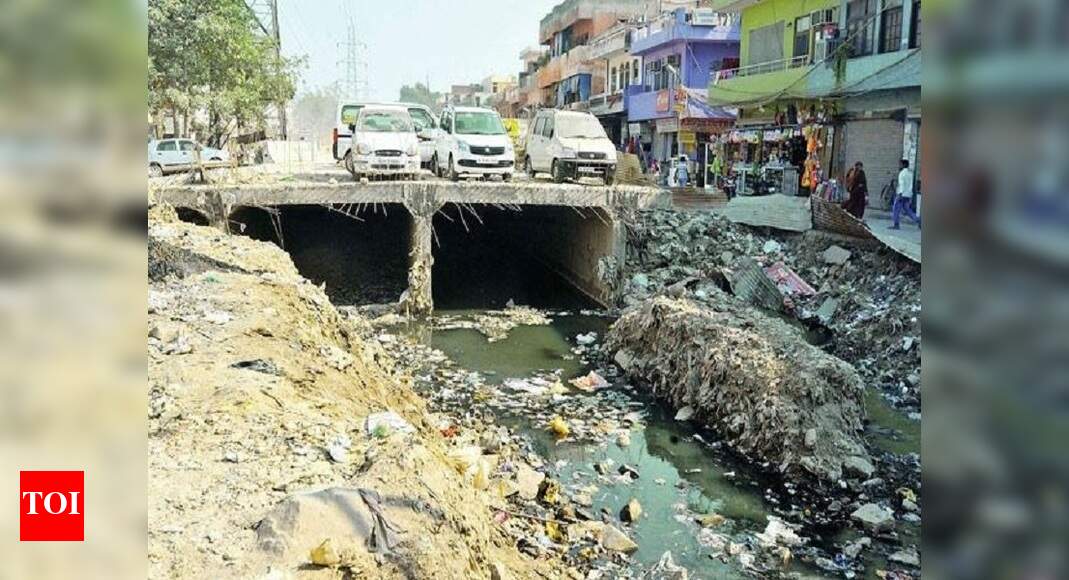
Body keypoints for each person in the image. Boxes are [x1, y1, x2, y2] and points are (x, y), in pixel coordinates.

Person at [891, 159, 921, 229]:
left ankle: (896, 224)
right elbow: (911, 185)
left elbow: (902, 184)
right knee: (908, 210)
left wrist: (900, 194)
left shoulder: (902, 173)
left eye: (900, 164)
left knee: (896, 209)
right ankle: (919, 220)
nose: (899, 165)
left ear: (903, 165)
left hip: (902, 194)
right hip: (908, 195)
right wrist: (910, 195)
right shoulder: (910, 174)